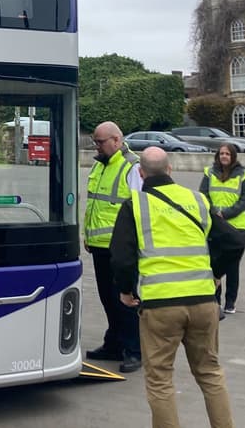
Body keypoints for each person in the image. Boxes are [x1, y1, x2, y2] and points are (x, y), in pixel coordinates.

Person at [111, 147, 235, 428]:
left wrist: (126, 290)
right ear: (170, 170)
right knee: (210, 373)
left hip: (160, 305)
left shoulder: (135, 205)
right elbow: (235, 241)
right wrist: (217, 273)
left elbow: (121, 257)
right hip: (203, 302)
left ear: (140, 174)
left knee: (160, 380)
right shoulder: (197, 199)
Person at [84, 121, 143, 373]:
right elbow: (95, 204)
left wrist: (133, 245)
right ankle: (114, 343)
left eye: (100, 142)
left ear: (117, 140)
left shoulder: (132, 166)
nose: (96, 146)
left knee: (125, 299)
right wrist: (87, 235)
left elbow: (140, 207)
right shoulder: (100, 165)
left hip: (121, 248)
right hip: (99, 245)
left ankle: (134, 350)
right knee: (108, 298)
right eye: (95, 142)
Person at [199, 143, 245, 316]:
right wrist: (214, 213)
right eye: (221, 153)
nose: (224, 156)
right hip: (215, 227)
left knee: (232, 267)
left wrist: (225, 214)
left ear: (233, 157)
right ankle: (216, 302)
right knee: (214, 266)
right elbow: (203, 195)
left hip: (235, 227)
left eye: (227, 154)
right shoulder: (209, 172)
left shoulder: (244, 175)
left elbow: (243, 202)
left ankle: (230, 302)